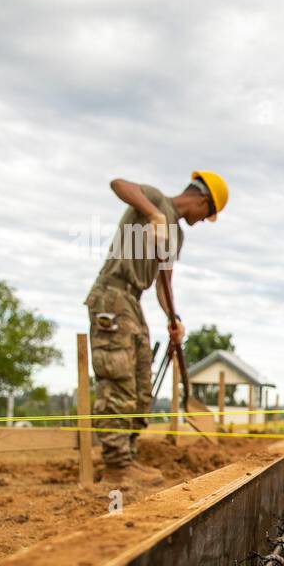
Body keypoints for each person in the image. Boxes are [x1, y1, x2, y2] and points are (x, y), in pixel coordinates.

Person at [85, 170, 227, 484]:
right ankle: (115, 467)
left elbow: (164, 287)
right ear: (202, 200)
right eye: (208, 214)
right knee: (117, 378)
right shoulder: (154, 198)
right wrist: (153, 215)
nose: (204, 220)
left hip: (133, 302)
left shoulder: (177, 234)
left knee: (140, 382)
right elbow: (118, 184)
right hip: (112, 295)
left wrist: (173, 319)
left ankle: (128, 458)